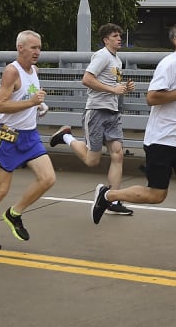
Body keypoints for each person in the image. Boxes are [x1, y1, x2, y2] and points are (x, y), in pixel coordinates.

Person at [92, 22, 176, 262]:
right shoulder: (169, 64)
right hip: (162, 140)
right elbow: (152, 98)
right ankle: (108, 196)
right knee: (156, 195)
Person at [0, 30, 56, 251]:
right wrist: (31, 103)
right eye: (33, 47)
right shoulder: (11, 71)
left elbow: (29, 96)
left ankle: (14, 213)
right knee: (1, 189)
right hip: (10, 136)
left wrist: (39, 105)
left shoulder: (34, 70)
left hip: (30, 134)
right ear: (20, 48)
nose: (38, 51)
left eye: (39, 47)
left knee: (48, 179)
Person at [50, 23, 135, 216]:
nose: (119, 38)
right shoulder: (102, 55)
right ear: (106, 40)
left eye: (119, 35)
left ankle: (113, 199)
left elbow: (110, 83)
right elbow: (87, 79)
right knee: (92, 160)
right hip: (96, 112)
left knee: (117, 154)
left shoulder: (117, 60)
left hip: (112, 112)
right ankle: (66, 136)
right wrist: (114, 89)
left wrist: (123, 87)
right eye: (115, 36)